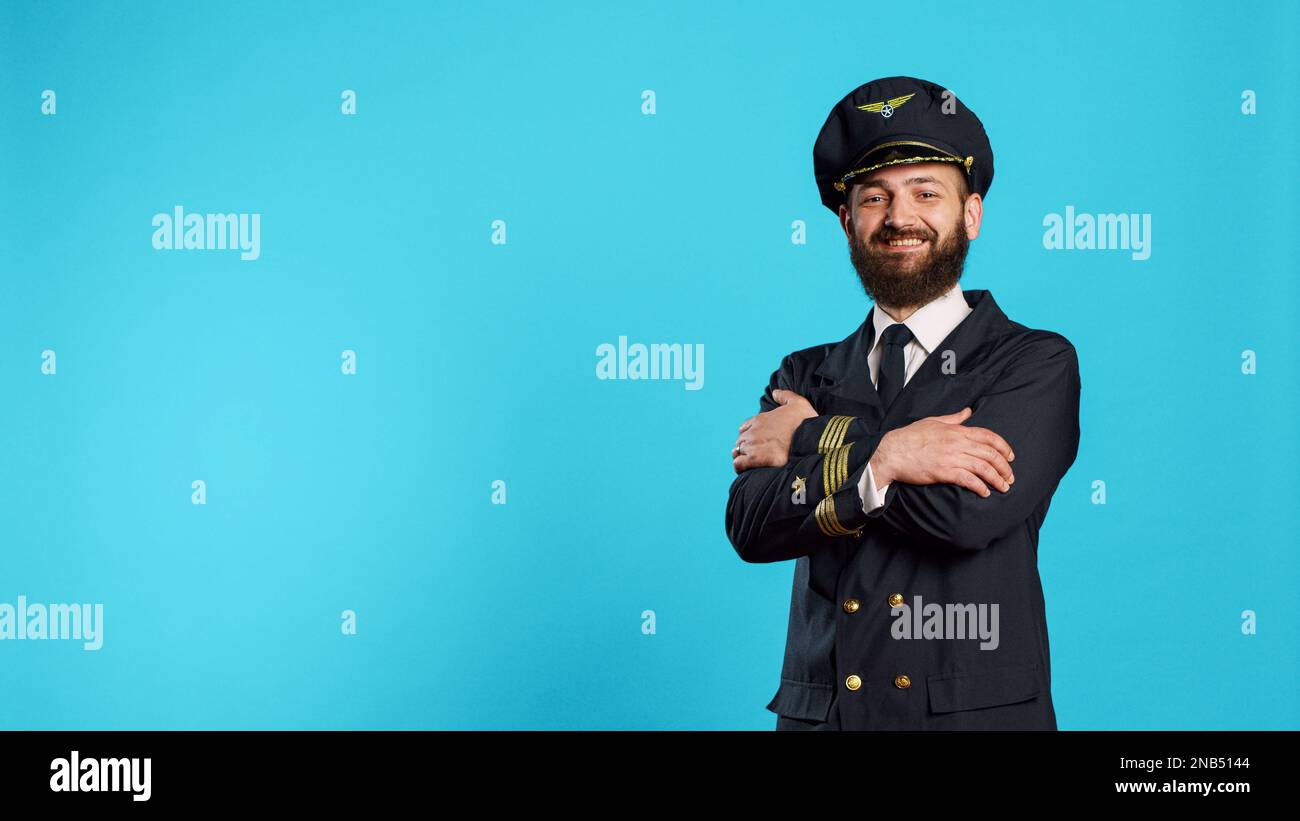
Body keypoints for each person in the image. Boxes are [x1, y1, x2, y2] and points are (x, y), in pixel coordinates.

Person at [725, 76, 1081, 730]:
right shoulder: (803, 372)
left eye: (926, 192)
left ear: (971, 213)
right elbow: (751, 521)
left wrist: (809, 442)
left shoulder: (1034, 362)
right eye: (874, 197)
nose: (899, 216)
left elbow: (962, 512)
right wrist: (888, 460)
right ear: (846, 221)